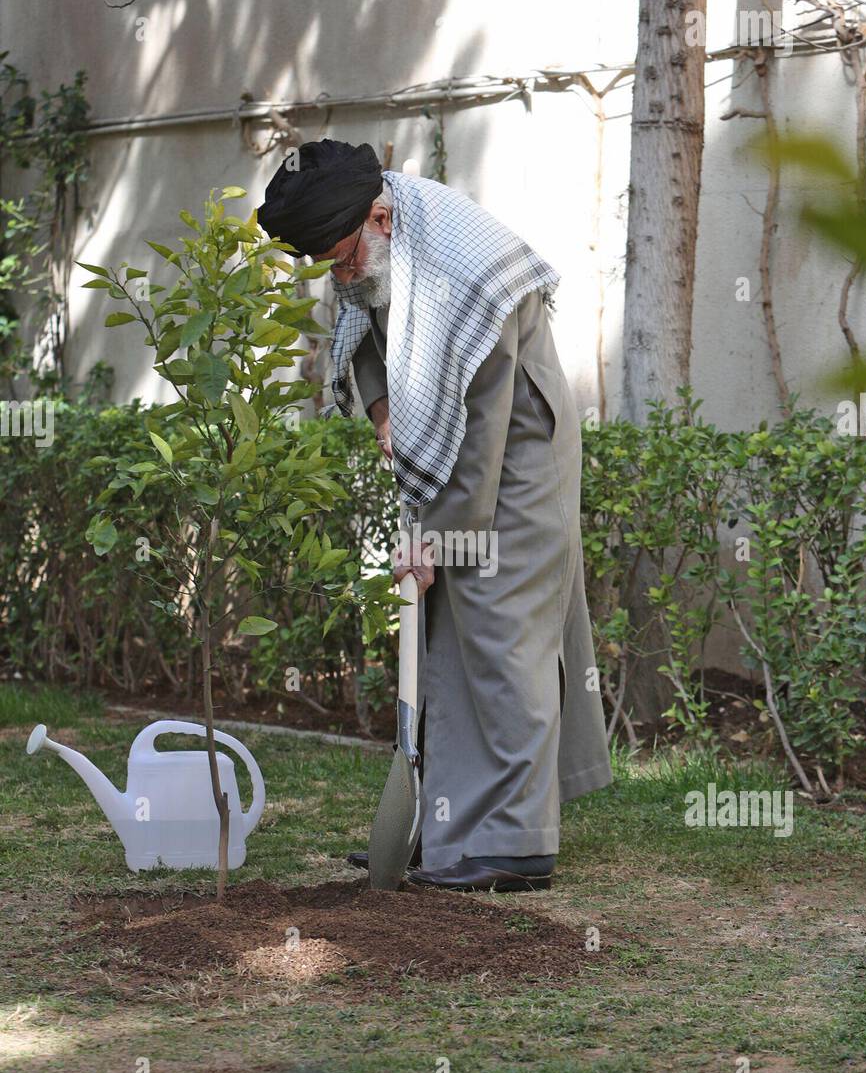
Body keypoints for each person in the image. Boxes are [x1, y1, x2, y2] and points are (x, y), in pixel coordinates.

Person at [258, 139, 611, 891]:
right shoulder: (374, 240)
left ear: (379, 217)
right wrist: (384, 411)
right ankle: (449, 830)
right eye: (329, 263)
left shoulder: (462, 268)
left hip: (517, 455)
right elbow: (364, 338)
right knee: (444, 629)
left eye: (343, 258)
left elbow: (480, 433)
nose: (340, 275)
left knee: (499, 627)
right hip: (461, 444)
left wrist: (437, 539)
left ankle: (516, 844)